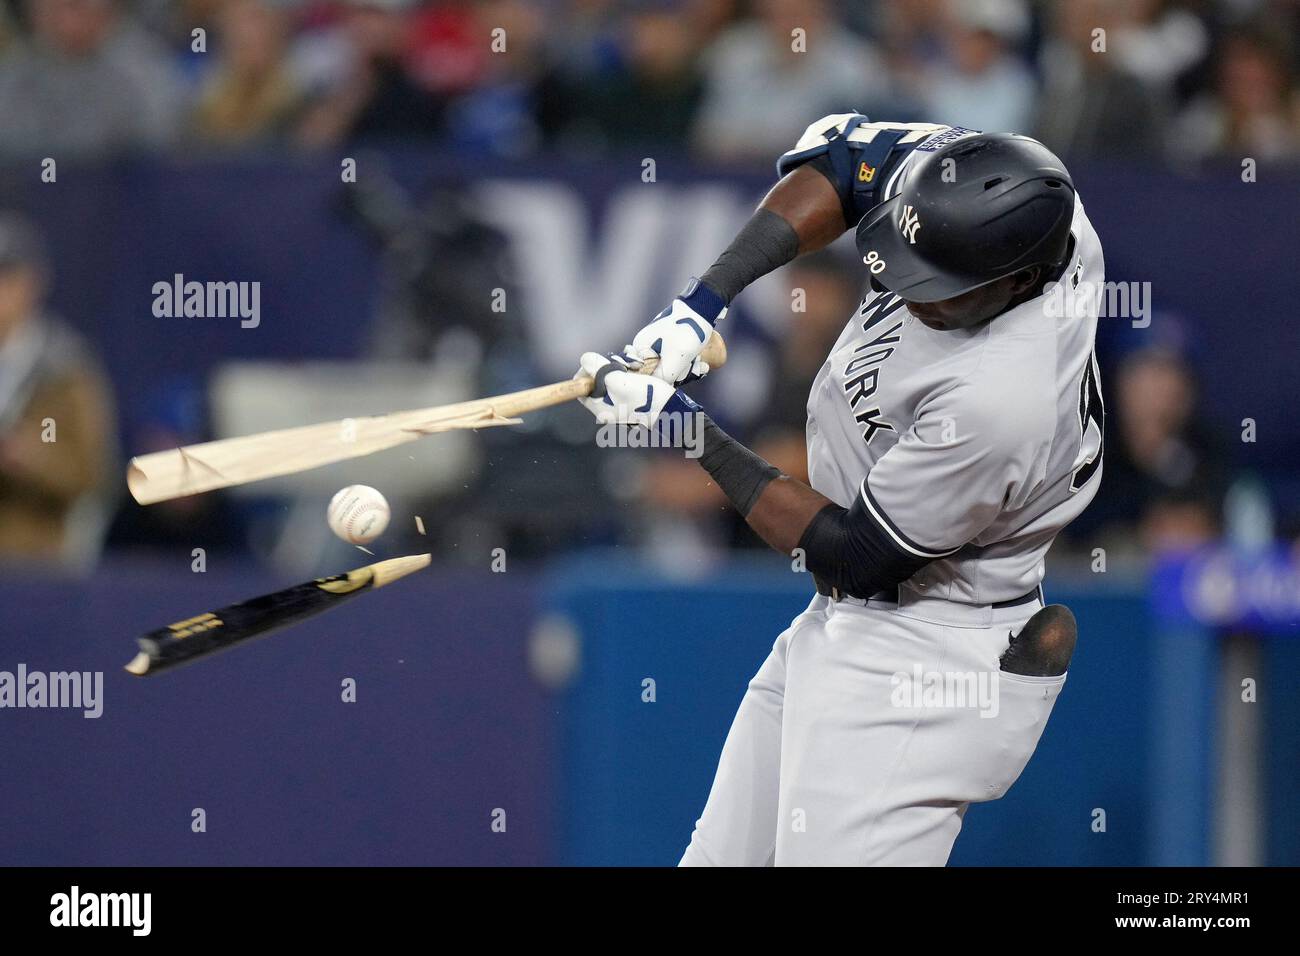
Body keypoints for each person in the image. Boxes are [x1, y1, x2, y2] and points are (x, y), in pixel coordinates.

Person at [575, 116, 1106, 865]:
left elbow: (851, 554)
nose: (904, 283)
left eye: (939, 285)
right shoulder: (1020, 197)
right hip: (854, 623)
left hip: (924, 649)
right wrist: (702, 302)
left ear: (1017, 281)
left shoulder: (1003, 398)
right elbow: (844, 161)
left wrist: (687, 433)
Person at [0, 212, 117, 566]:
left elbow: (95, 475)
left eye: (5, 277)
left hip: (32, 564)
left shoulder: (66, 369)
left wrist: (33, 457)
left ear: (30, 283)